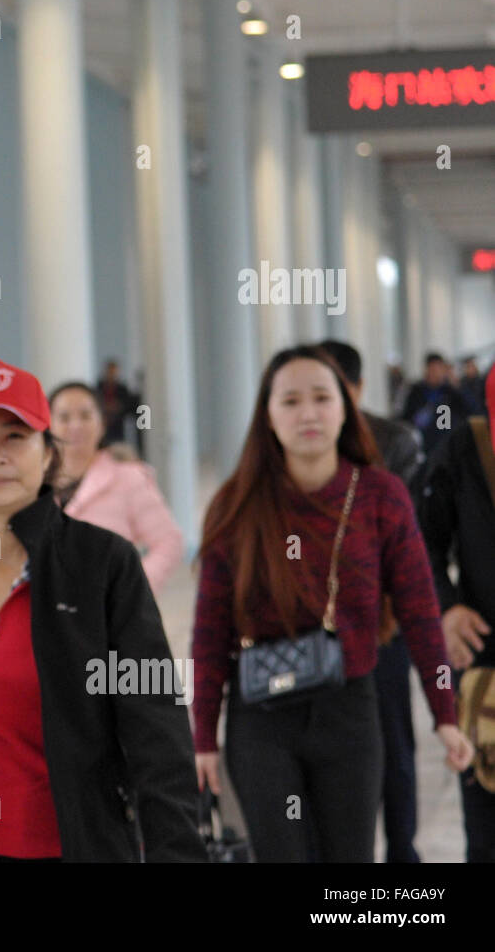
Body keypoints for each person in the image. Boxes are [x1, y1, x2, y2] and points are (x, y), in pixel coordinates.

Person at [192, 345, 473, 862]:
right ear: (268, 416)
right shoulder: (236, 505)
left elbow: (419, 612)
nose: (308, 413)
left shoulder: (381, 496)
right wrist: (203, 735)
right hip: (260, 717)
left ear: (346, 409)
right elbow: (209, 632)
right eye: (291, 401)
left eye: (323, 398)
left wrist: (445, 714)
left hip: (349, 711)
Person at [0, 356, 203, 862]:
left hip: (77, 845)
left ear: (48, 453)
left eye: (15, 436)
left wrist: (178, 851)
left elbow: (156, 731)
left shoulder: (104, 565)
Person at [320, 338, 425, 862]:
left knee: (392, 744)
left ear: (357, 389)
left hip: (381, 625)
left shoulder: (396, 442)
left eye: (331, 388)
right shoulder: (289, 450)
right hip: (310, 631)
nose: (318, 405)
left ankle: (402, 852)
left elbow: (401, 544)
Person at [415, 364, 495, 861]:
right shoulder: (467, 450)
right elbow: (420, 542)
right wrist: (445, 609)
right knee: (487, 828)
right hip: (485, 668)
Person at [47, 381, 183, 593]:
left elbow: (169, 541)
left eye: (85, 416)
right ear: (49, 426)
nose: (75, 426)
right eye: (64, 417)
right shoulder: (32, 484)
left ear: (101, 424)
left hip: (110, 617)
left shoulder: (128, 478)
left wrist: (132, 591)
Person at [400, 352, 468, 455]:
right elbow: (405, 418)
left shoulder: (450, 392)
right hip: (422, 447)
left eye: (438, 369)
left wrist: (456, 386)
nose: (435, 373)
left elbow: (469, 411)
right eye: (432, 369)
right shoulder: (416, 391)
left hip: (446, 447)